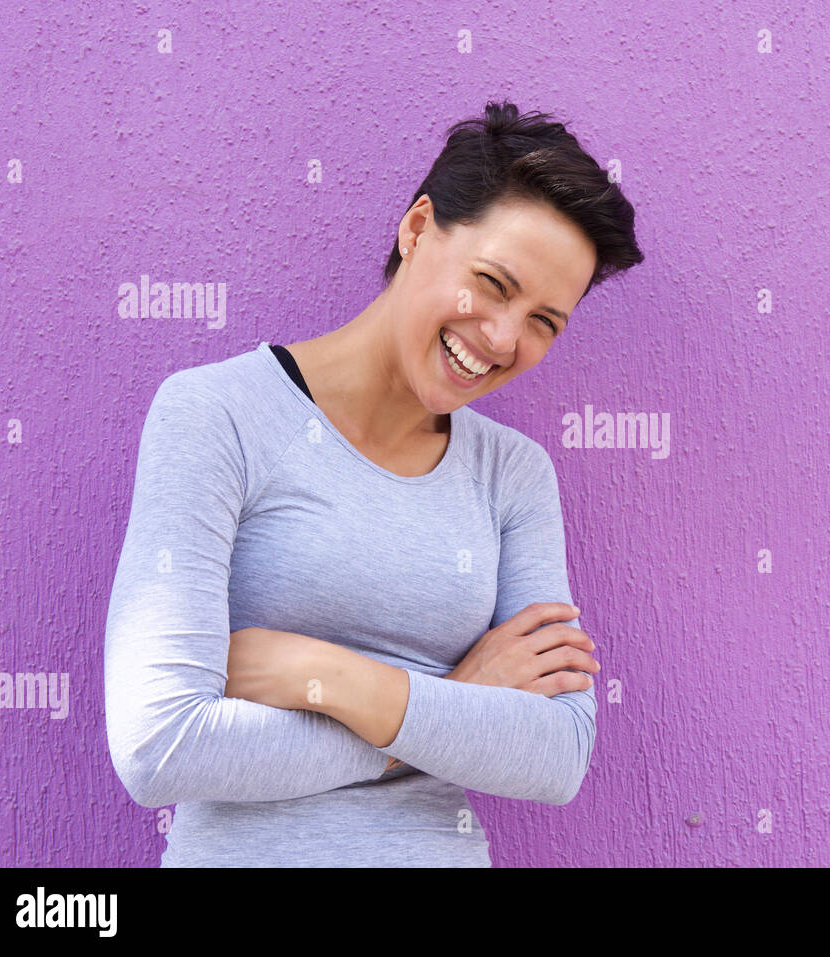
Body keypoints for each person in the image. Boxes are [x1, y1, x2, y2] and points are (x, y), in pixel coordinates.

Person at [103, 100, 645, 866]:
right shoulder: (216, 415)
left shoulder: (513, 476)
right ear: (418, 229)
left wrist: (329, 676)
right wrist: (457, 696)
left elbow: (557, 754)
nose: (500, 337)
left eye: (543, 322)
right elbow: (161, 743)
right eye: (492, 283)